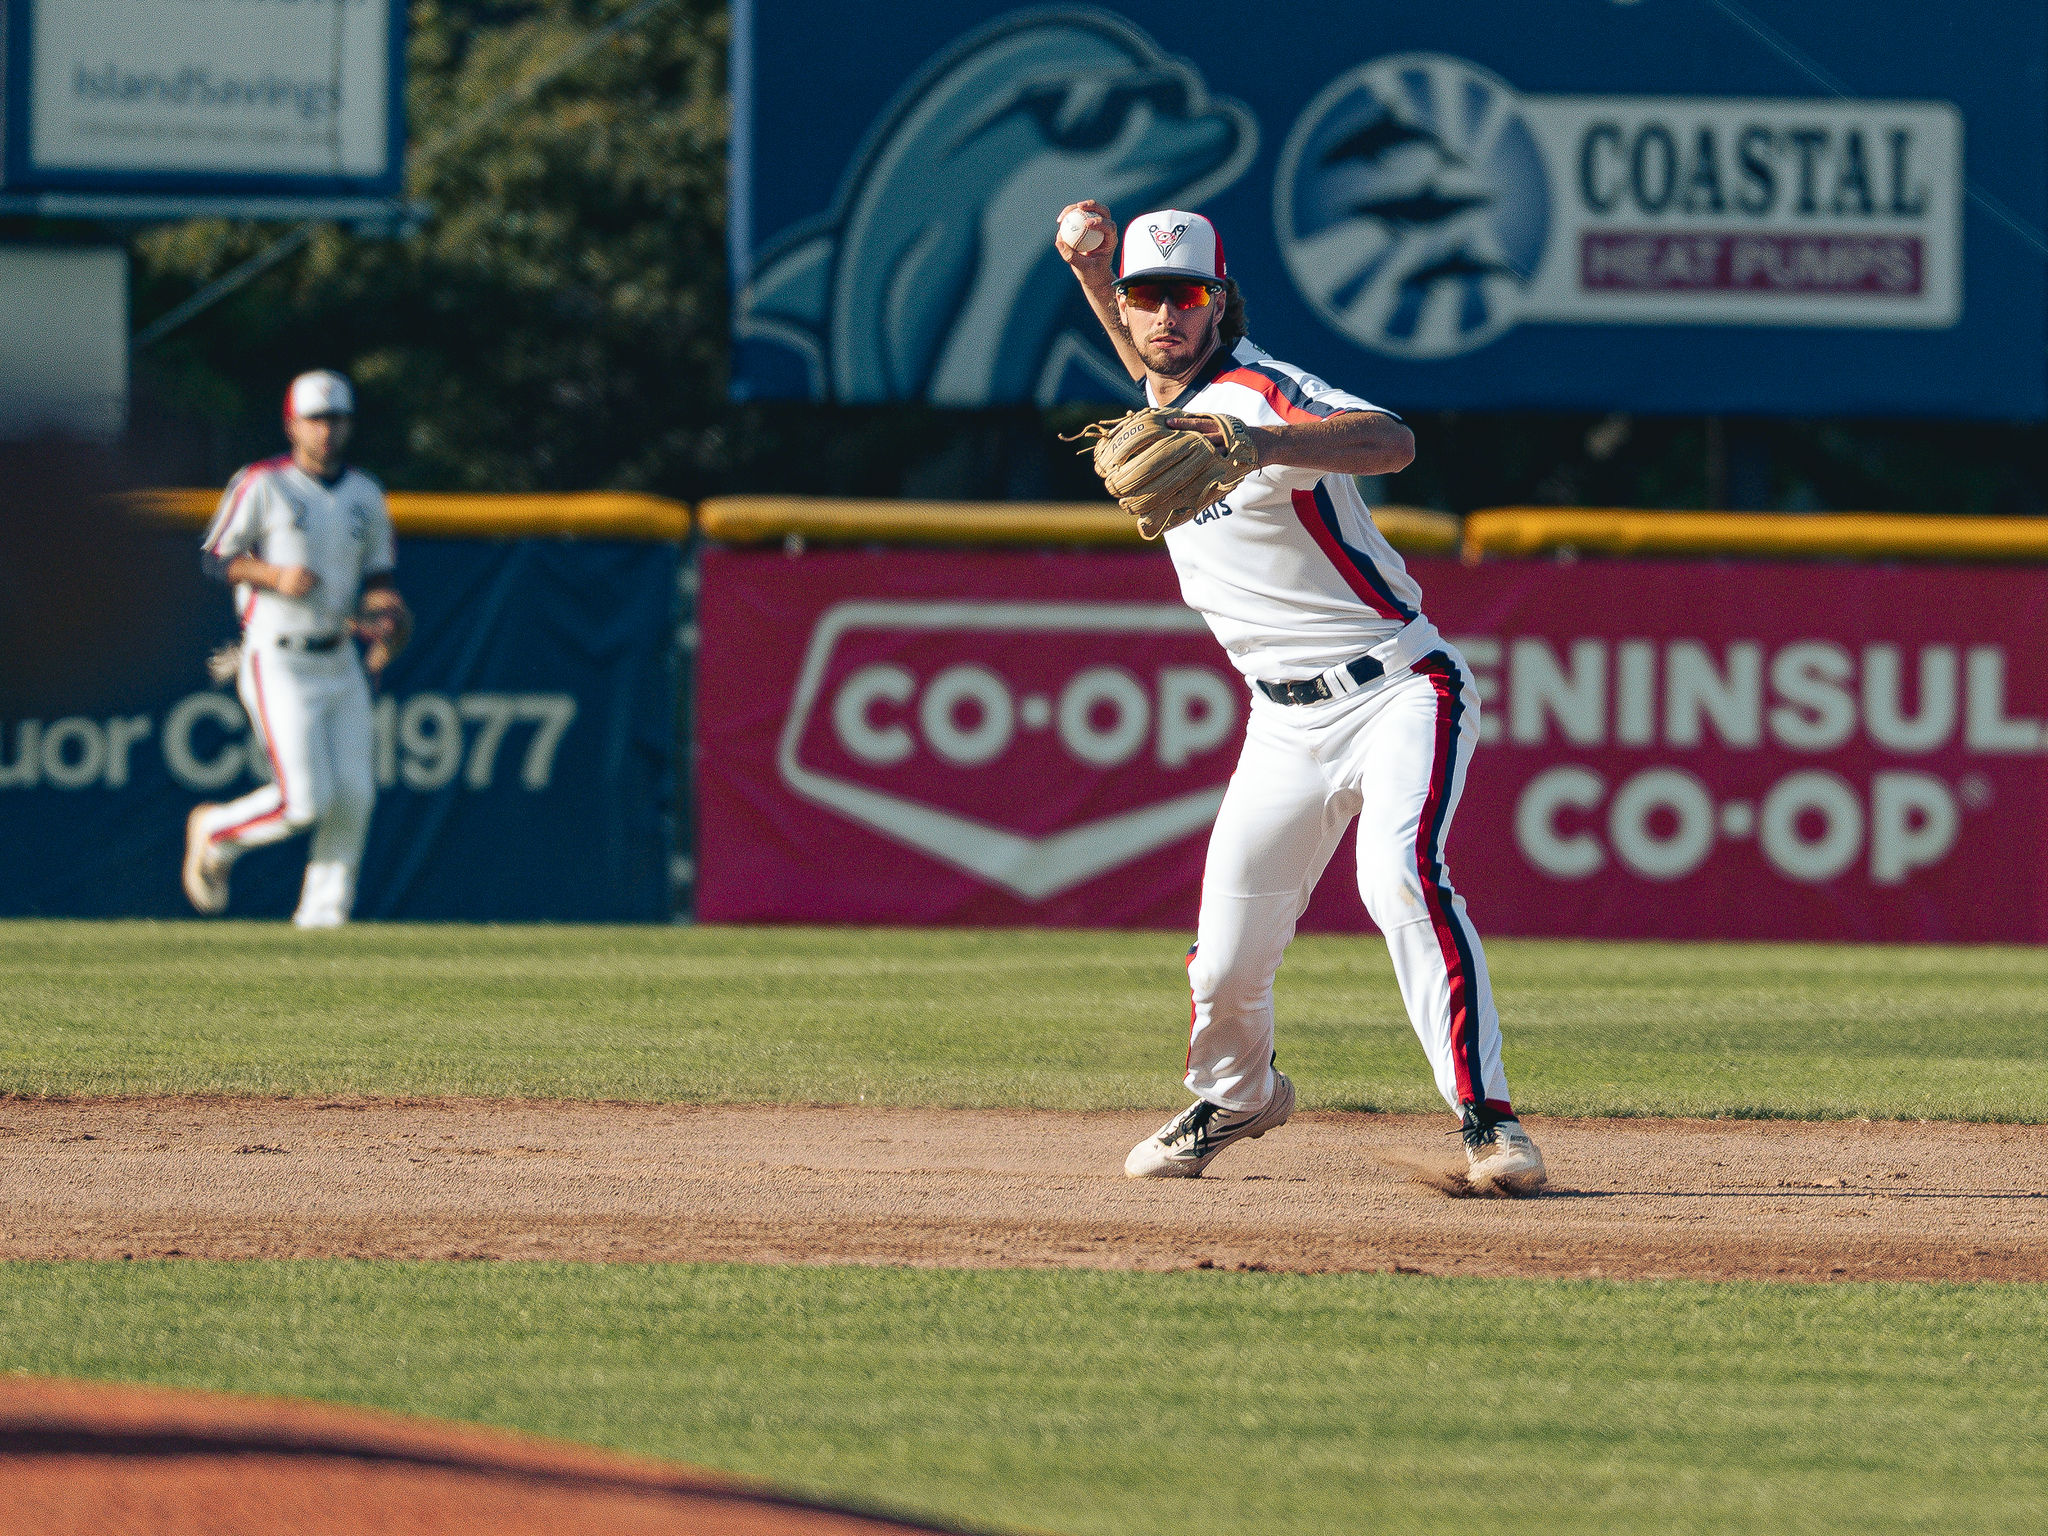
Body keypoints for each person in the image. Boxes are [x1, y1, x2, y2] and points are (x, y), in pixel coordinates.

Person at [1055, 203, 1545, 1194]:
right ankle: (1237, 1097)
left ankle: (1488, 1124)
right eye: (1146, 298)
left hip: (1399, 686)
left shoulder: (1261, 392)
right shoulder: (1163, 397)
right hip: (1279, 722)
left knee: (1399, 877)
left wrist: (1262, 446)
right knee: (1223, 961)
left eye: (1185, 296)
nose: (1163, 315)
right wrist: (1090, 269)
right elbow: (1153, 369)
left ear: (1219, 302)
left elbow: (1393, 441)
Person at [180, 370, 410, 928]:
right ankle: (217, 832)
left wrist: (386, 615)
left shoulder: (365, 493)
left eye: (335, 419)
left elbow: (378, 575)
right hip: (276, 653)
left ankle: (323, 918)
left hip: (339, 656)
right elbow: (215, 556)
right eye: (314, 419)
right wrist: (272, 575)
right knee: (303, 801)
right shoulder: (264, 483)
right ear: (291, 424)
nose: (325, 430)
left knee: (355, 794)